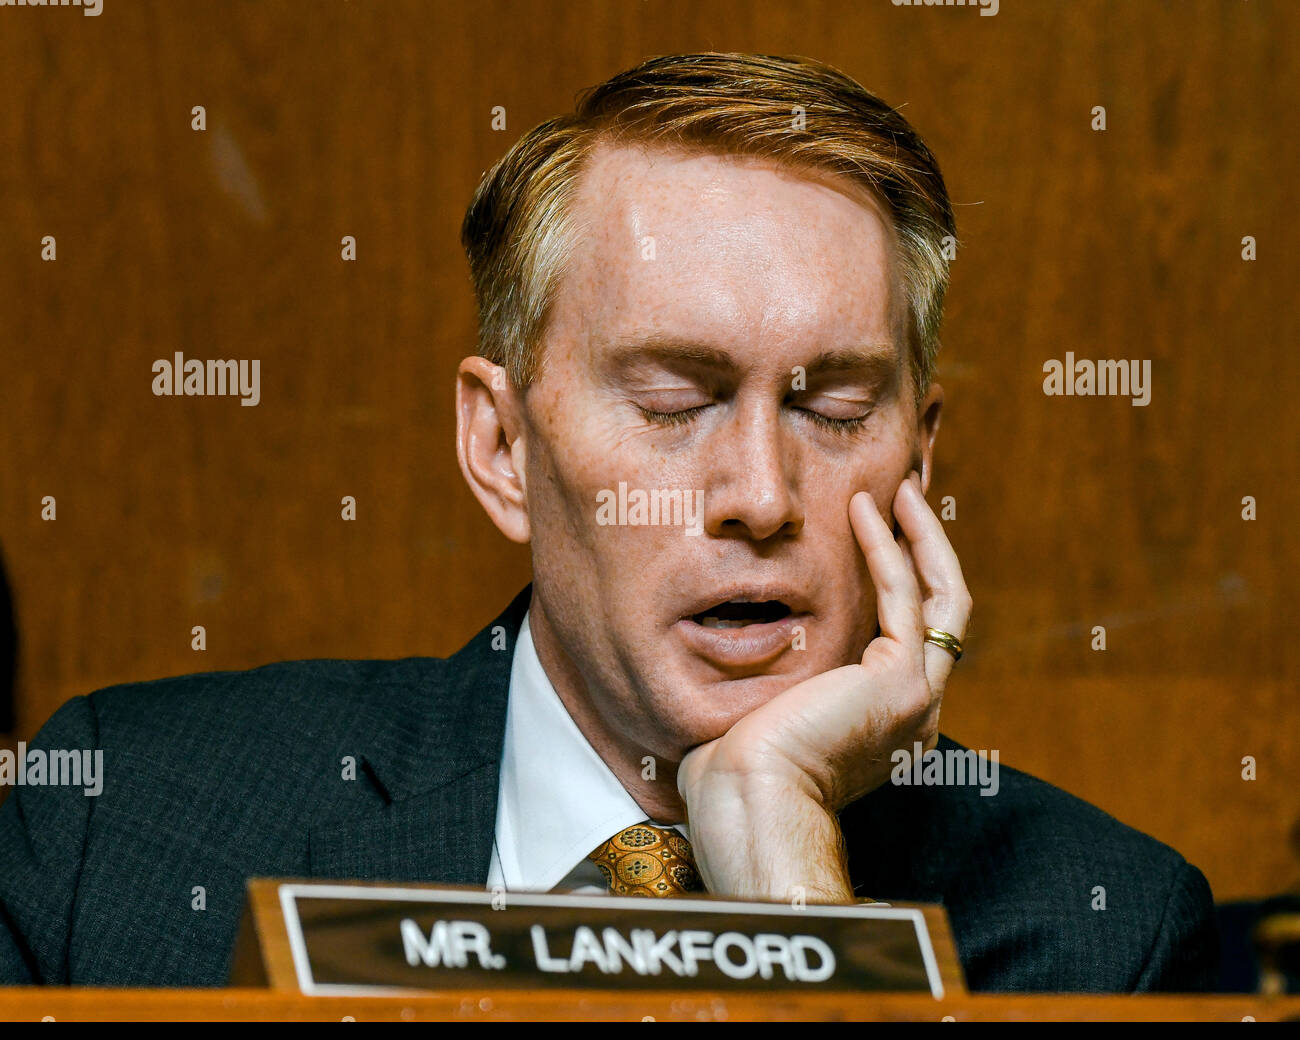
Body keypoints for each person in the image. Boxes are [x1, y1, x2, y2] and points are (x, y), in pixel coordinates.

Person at [0, 53, 1217, 991]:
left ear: (920, 461)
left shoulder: (1103, 930)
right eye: (672, 402)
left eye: (833, 408)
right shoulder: (119, 825)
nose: (759, 494)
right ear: (502, 447)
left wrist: (785, 872)